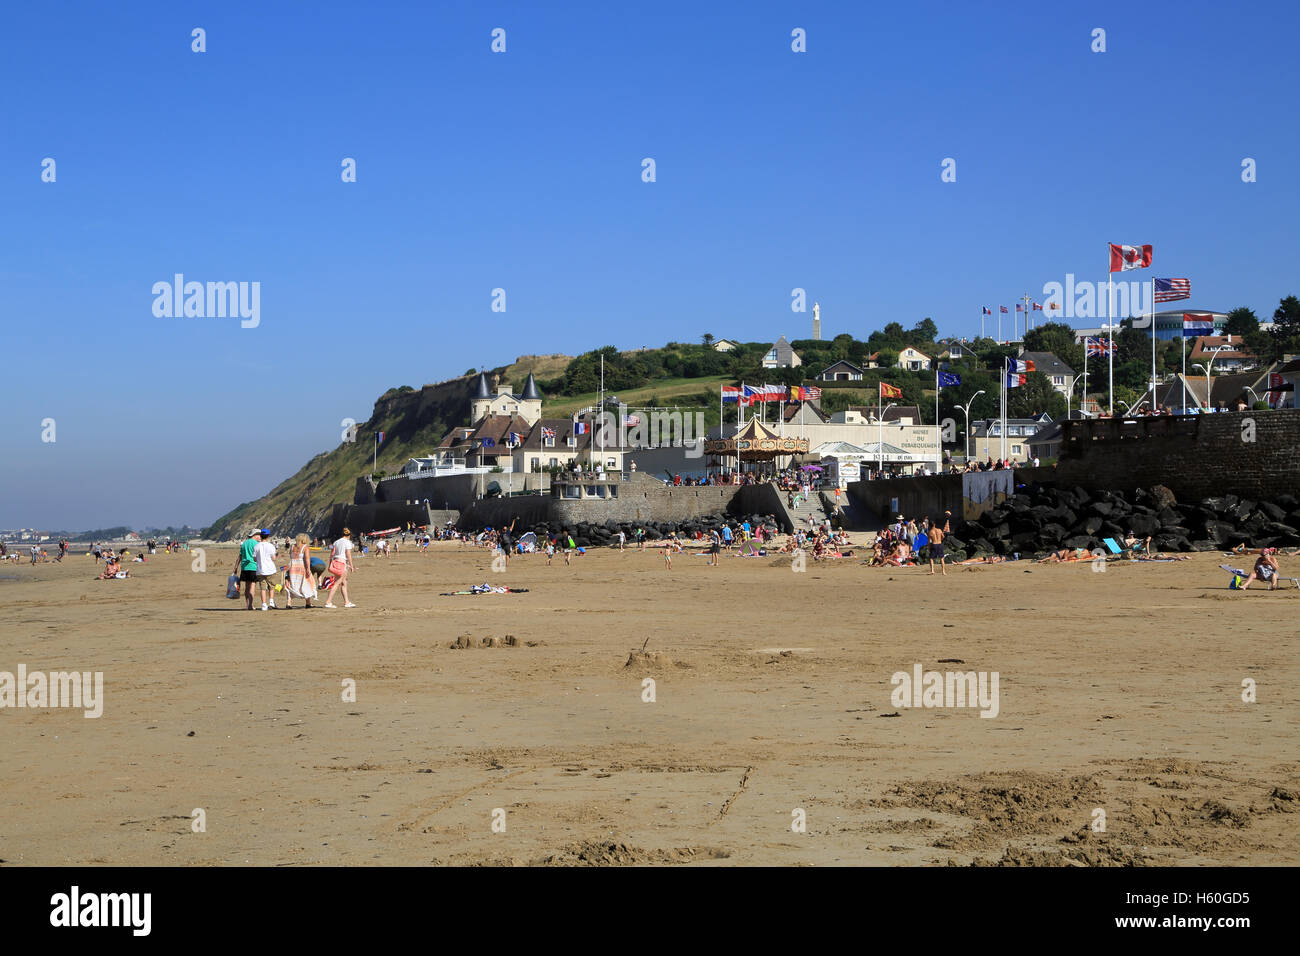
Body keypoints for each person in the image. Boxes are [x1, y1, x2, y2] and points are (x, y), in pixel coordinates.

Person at [324, 528, 357, 608]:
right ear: (349, 536)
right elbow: (348, 555)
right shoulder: (347, 542)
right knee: (338, 582)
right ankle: (328, 601)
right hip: (342, 563)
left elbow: (332, 554)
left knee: (343, 583)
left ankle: (346, 602)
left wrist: (329, 565)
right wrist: (351, 566)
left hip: (335, 562)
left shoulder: (336, 542)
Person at [284, 534, 316, 609]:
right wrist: (308, 569)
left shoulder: (292, 546)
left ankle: (289, 603)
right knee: (306, 583)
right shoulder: (305, 547)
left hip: (292, 566)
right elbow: (307, 559)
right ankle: (308, 603)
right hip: (301, 567)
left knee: (292, 584)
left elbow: (291, 556)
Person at [233, 529, 261, 610]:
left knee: (247, 587)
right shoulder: (256, 544)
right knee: (252, 586)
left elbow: (239, 557)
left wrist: (235, 568)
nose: (260, 537)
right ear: (255, 535)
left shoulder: (244, 543)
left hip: (244, 567)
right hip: (253, 566)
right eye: (259, 535)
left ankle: (247, 604)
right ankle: (250, 605)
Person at [254, 529, 278, 610]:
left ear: (260, 536)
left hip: (260, 570)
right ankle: (271, 601)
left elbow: (254, 559)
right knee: (271, 586)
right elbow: (274, 558)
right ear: (268, 536)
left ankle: (264, 604)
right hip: (270, 569)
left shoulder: (256, 546)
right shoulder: (271, 546)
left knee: (263, 588)